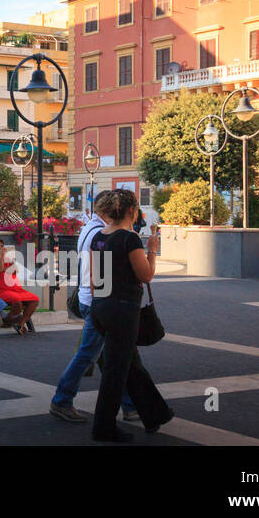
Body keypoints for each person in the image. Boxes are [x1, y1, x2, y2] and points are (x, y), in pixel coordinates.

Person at [87, 187, 173, 443]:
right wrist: (152, 250)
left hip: (102, 307)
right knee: (116, 370)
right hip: (124, 309)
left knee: (129, 364)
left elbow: (96, 280)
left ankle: (155, 414)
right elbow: (145, 275)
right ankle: (103, 428)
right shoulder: (130, 239)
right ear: (131, 211)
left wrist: (98, 306)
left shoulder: (98, 237)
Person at [49, 191, 138, 423]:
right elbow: (102, 274)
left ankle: (129, 405)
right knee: (91, 354)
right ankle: (62, 400)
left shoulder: (90, 229)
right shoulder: (100, 233)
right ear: (111, 212)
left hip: (94, 299)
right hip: (101, 301)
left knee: (116, 356)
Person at [0, 239, 40, 333]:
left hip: (16, 289)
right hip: (0, 291)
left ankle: (20, 324)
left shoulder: (8, 260)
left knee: (34, 300)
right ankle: (8, 321)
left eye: (2, 246)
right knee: (17, 302)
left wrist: (2, 269)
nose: (0, 248)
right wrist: (2, 259)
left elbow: (15, 270)